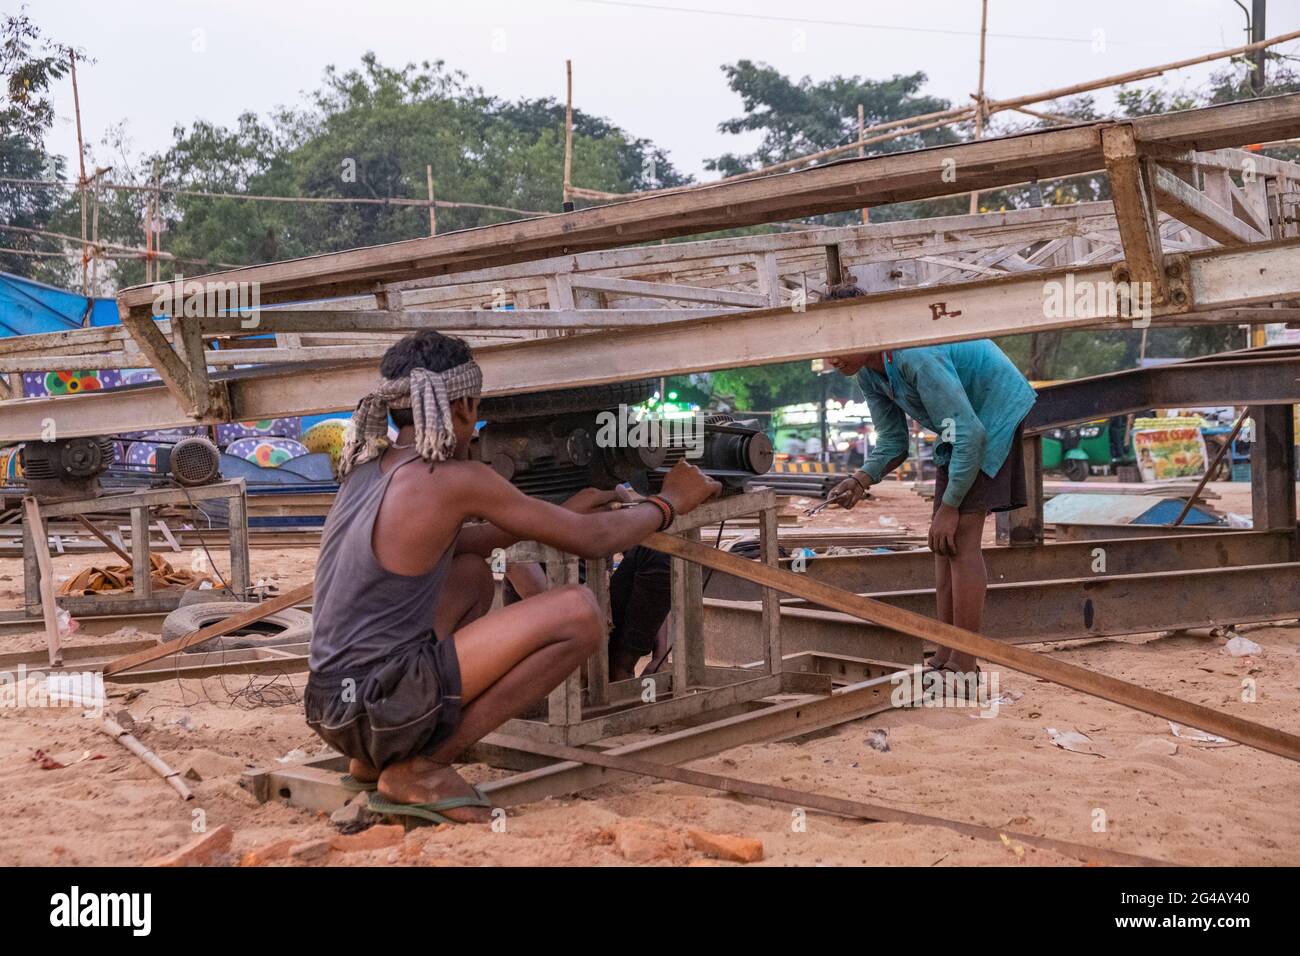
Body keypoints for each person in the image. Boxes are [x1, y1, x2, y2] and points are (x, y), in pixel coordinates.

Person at [306, 329, 721, 823]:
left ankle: (373, 759)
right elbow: (595, 542)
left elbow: (464, 543)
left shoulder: (367, 468)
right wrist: (669, 502)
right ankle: (423, 766)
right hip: (383, 701)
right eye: (475, 410)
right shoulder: (454, 478)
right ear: (461, 407)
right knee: (578, 612)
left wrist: (557, 511)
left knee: (469, 575)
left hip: (331, 706)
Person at [819, 283, 1036, 677]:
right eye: (825, 342)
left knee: (962, 538)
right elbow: (894, 442)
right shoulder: (870, 374)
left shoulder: (913, 355)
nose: (831, 356)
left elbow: (972, 432)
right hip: (960, 428)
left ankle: (965, 661)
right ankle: (944, 653)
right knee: (942, 543)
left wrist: (951, 506)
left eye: (840, 341)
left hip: (991, 415)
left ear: (867, 328)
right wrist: (861, 478)